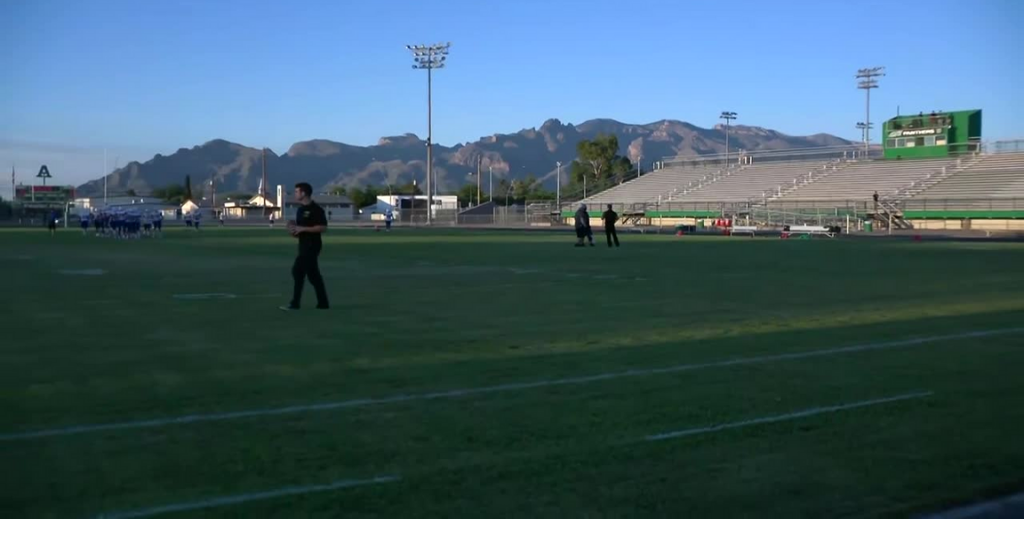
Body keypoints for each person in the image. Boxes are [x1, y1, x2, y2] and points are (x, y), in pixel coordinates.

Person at [282, 183, 330, 311]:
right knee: (313, 275)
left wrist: (302, 228)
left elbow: (323, 227)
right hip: (303, 245)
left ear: (304, 193)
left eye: (297, 191)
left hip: (312, 246)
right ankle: (323, 303)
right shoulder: (300, 210)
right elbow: (300, 231)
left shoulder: (316, 209)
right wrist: (293, 230)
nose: (295, 194)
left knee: (297, 271)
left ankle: (295, 303)